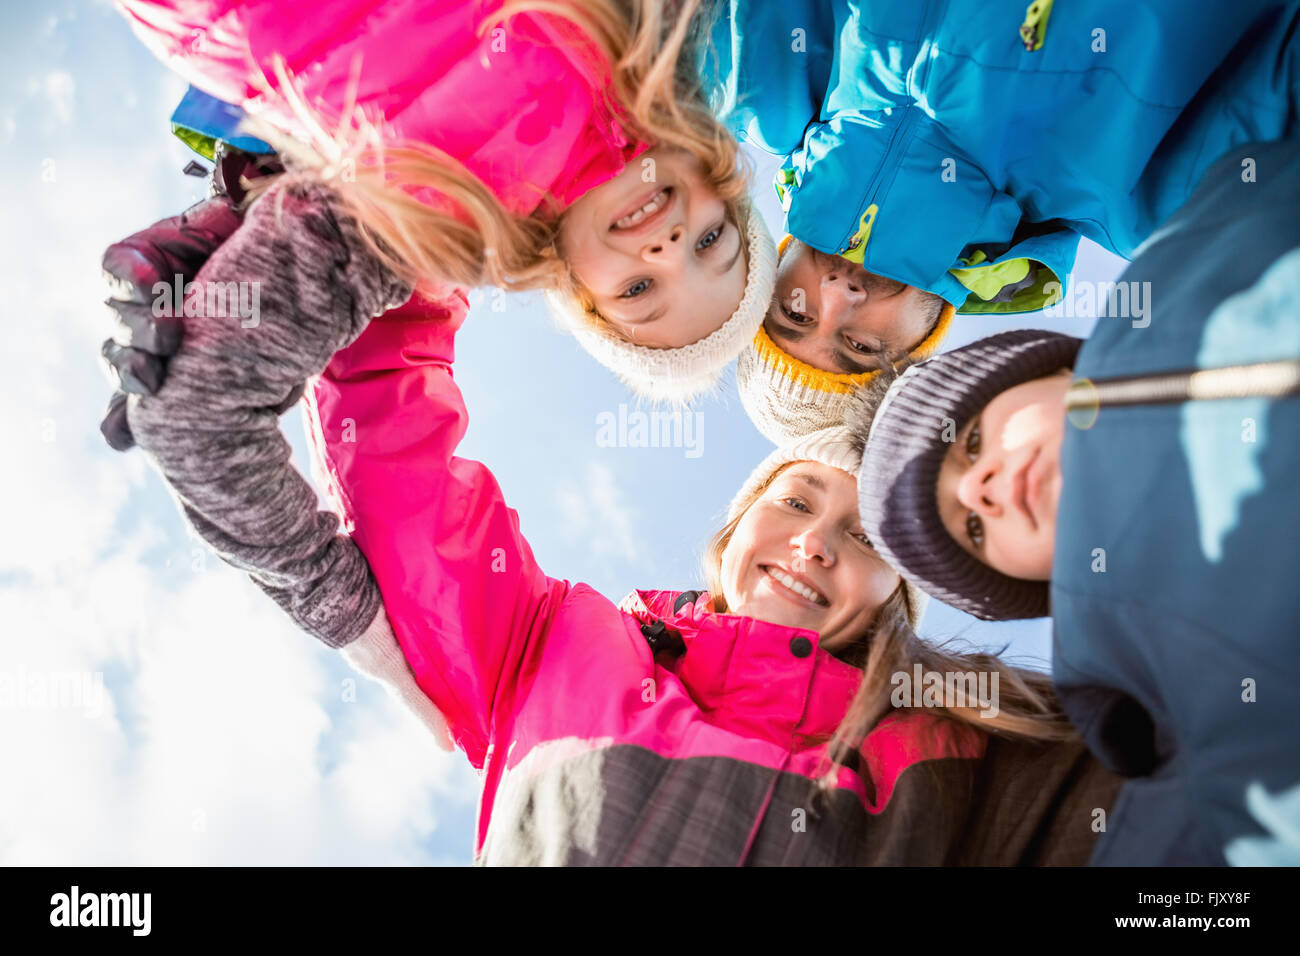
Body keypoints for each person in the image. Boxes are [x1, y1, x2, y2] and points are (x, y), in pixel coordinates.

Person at [109, 171, 1118, 863]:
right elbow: (401, 457)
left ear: (897, 591)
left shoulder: (953, 729)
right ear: (729, 536)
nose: (815, 541)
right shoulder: (544, 646)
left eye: (861, 540)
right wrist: (407, 231)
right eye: (797, 500)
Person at [853, 139, 1300, 863]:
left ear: (1042, 370)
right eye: (970, 528)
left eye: (969, 443)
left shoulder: (1188, 258)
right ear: (1022, 585)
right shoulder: (1131, 690)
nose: (982, 487)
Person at [110, 0, 777, 409]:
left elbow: (313, 234)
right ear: (723, 186)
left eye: (639, 288)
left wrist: (222, 249)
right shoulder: (646, 29)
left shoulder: (447, 217)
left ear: (579, 290)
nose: (665, 249)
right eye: (710, 243)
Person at [695, 0, 1300, 441]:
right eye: (860, 343)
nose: (835, 296)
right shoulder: (1159, 203)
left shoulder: (752, 72)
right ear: (921, 343)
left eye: (793, 312)